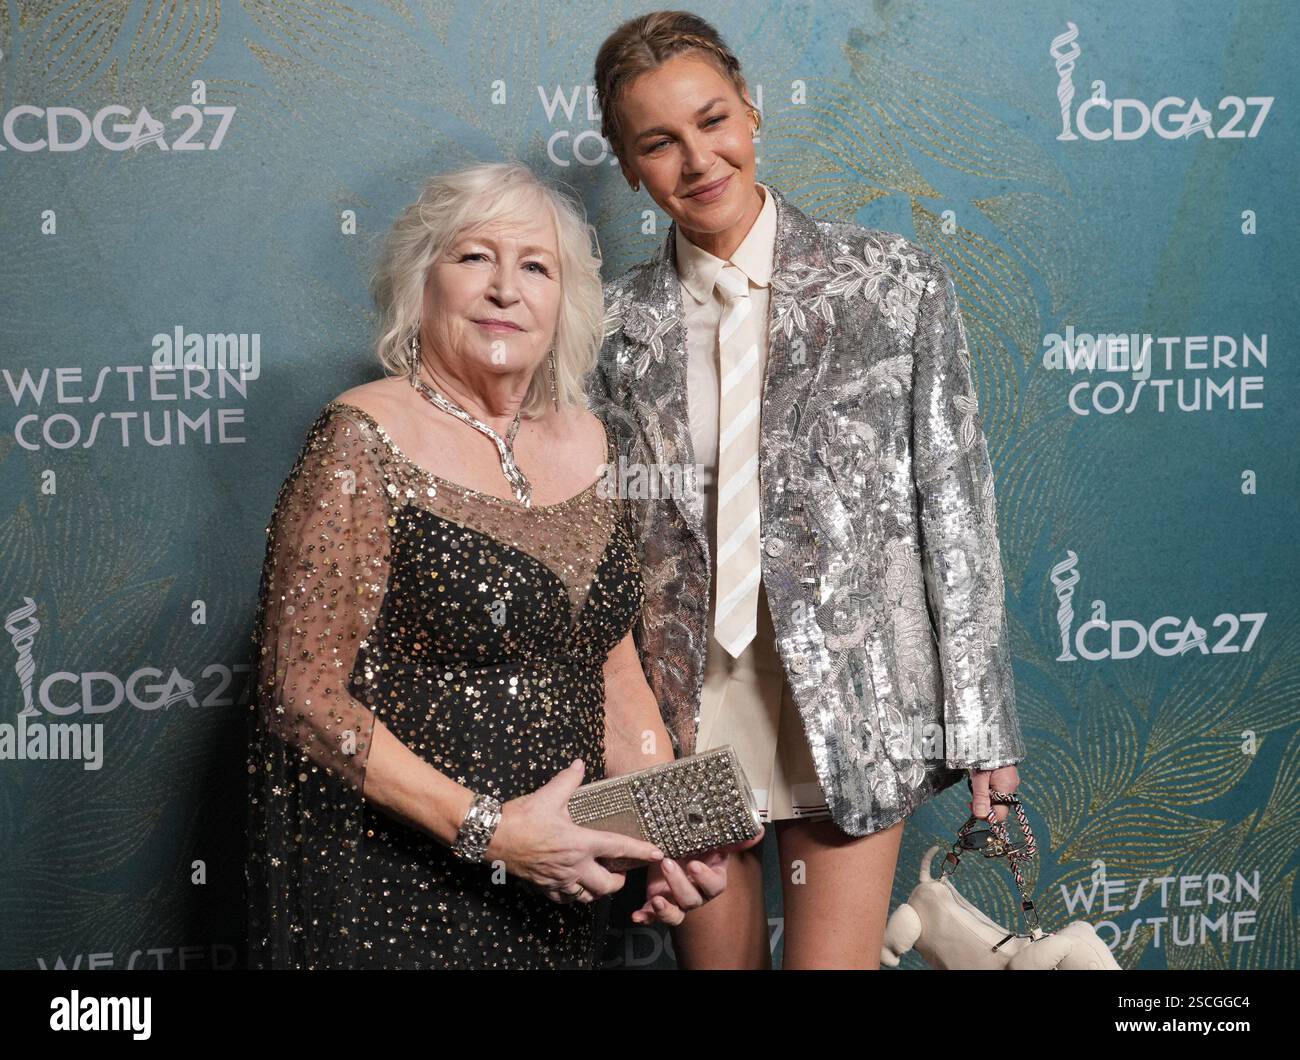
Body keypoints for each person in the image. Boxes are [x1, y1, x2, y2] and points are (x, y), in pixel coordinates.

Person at [587, 11, 1027, 968]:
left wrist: (984, 726)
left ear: (751, 111)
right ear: (627, 165)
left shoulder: (895, 285)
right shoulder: (607, 329)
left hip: (856, 692)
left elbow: (956, 511)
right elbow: (596, 541)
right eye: (658, 142)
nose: (698, 158)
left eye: (712, 120)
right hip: (688, 705)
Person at [244, 160, 758, 970]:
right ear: (422, 284)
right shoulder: (361, 436)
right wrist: (493, 832)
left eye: (536, 266)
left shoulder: (596, 440)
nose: (504, 289)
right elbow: (300, 694)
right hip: (392, 883)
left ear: (566, 304)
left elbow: (612, 668)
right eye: (474, 257)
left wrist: (670, 833)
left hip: (553, 891)